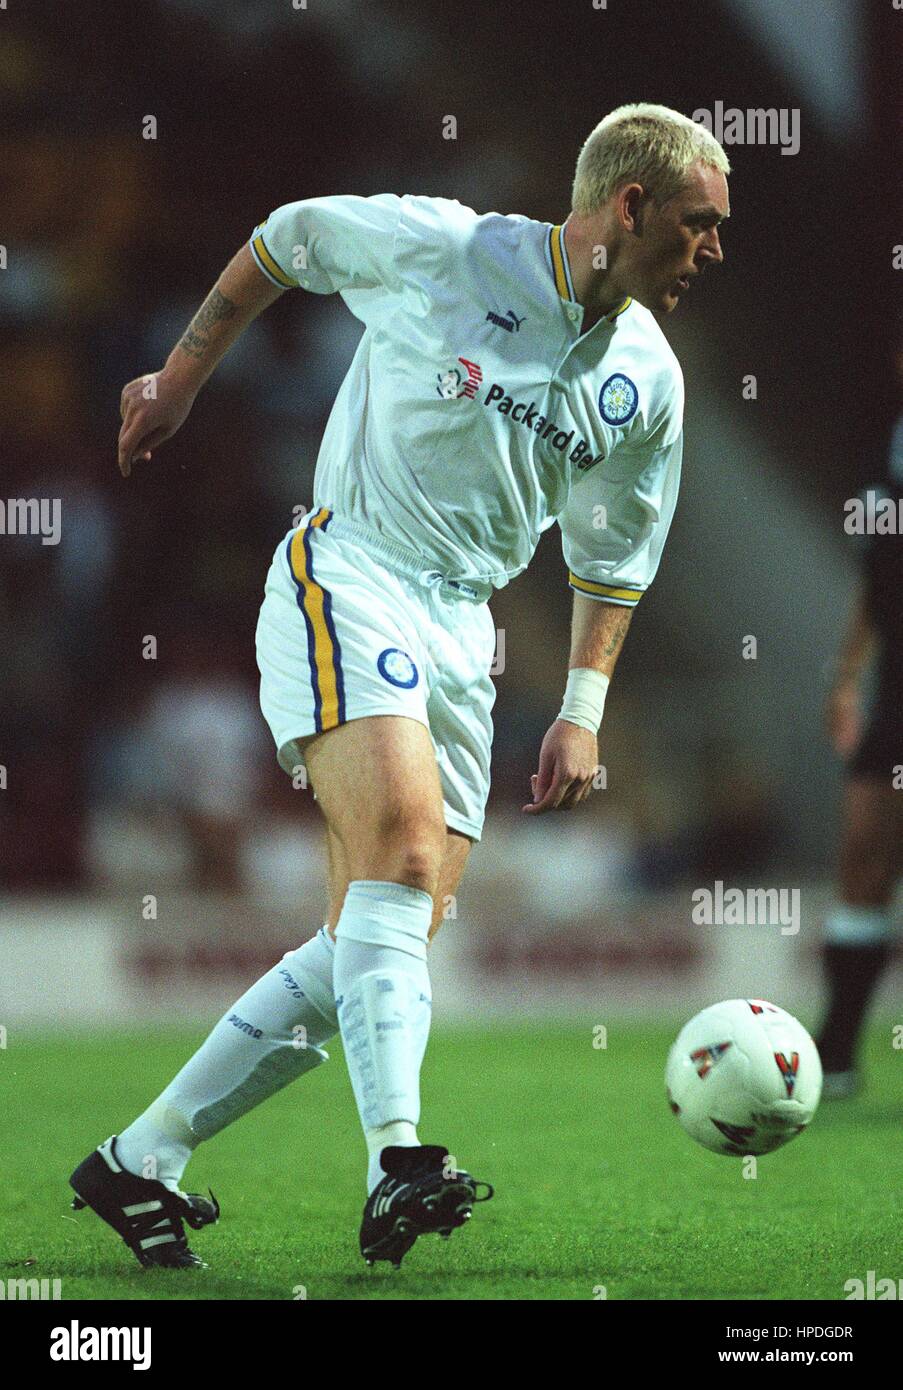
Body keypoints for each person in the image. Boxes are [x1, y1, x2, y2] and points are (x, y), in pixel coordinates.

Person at [69, 104, 729, 1268]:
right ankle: (396, 1162)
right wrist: (178, 379)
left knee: (377, 930)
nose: (713, 250)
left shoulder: (648, 380)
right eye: (699, 223)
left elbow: (614, 553)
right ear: (630, 209)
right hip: (353, 567)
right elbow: (287, 238)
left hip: (466, 631)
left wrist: (581, 711)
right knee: (407, 860)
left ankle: (142, 1156)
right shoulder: (448, 250)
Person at [818, 354, 903, 1096]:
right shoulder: (886, 461)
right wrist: (846, 676)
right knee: (862, 859)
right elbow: (872, 586)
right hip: (894, 697)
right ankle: (838, 1050)